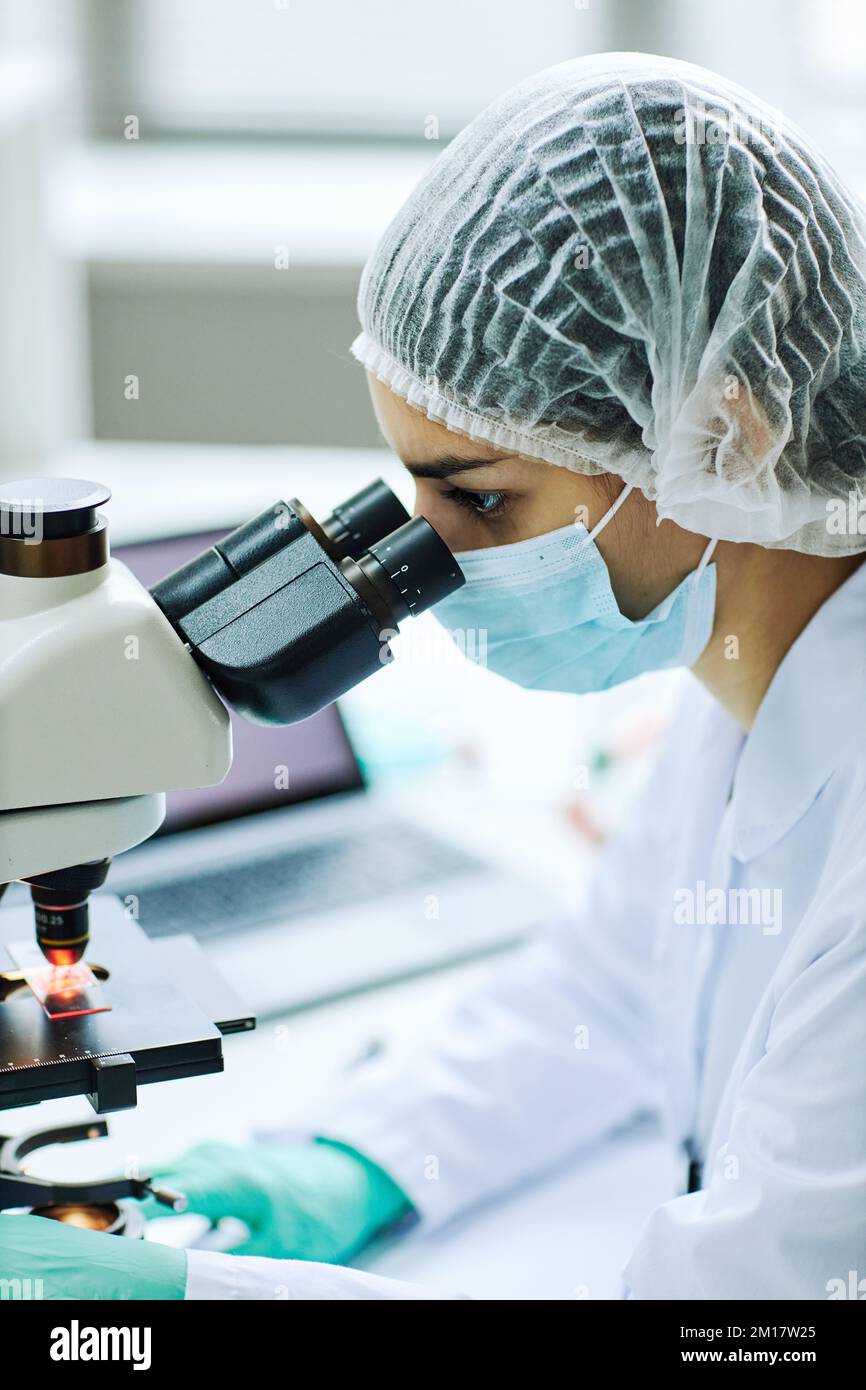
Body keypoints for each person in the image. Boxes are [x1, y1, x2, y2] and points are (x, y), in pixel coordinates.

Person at [4, 51, 865, 1300]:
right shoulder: (747, 663)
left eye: (477, 494)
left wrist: (178, 1302)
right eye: (409, 489)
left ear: (723, 438)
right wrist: (353, 1157)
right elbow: (610, 987)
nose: (425, 557)